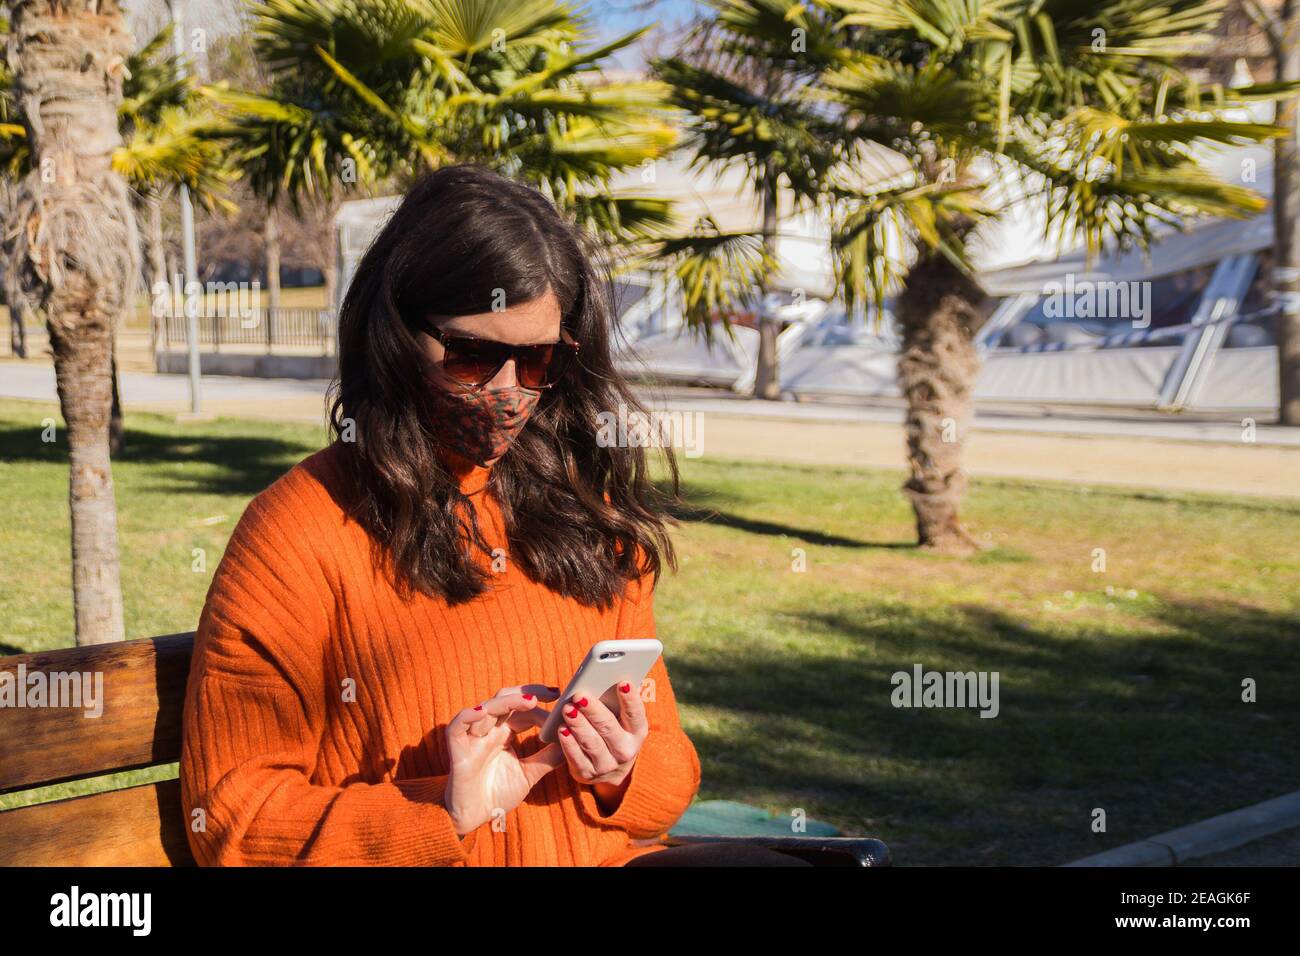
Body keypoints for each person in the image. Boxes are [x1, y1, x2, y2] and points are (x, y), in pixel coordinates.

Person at [179, 164, 808, 867]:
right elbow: (229, 819)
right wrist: (442, 809)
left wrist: (619, 770)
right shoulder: (299, 532)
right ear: (393, 336)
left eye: (537, 360)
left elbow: (671, 774)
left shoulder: (581, 511)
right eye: (473, 355)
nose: (508, 391)